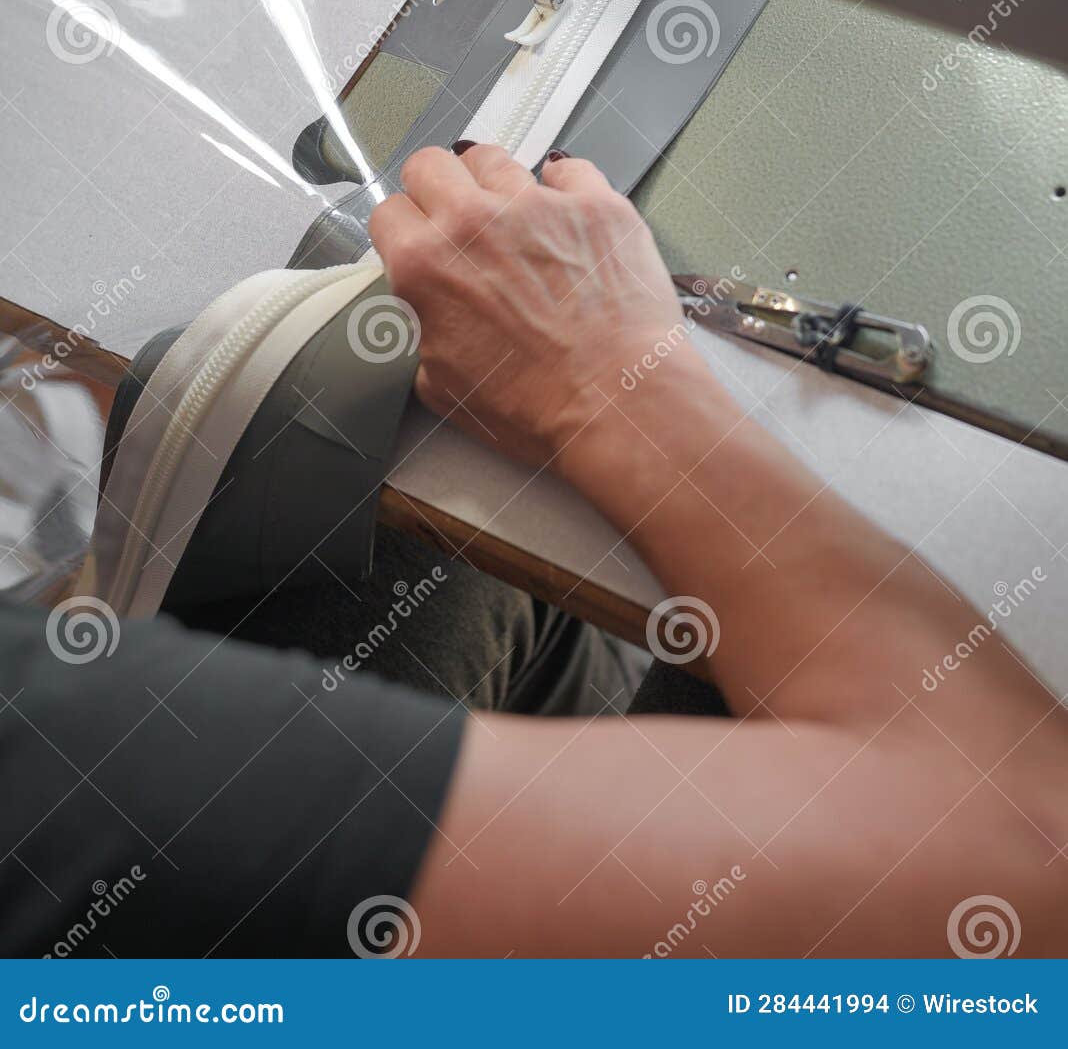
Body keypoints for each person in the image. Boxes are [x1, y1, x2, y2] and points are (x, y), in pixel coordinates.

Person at [1, 145, 1064, 957]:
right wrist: (608, 382)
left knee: (397, 545)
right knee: (803, 657)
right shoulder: (57, 763)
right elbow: (1025, 844)